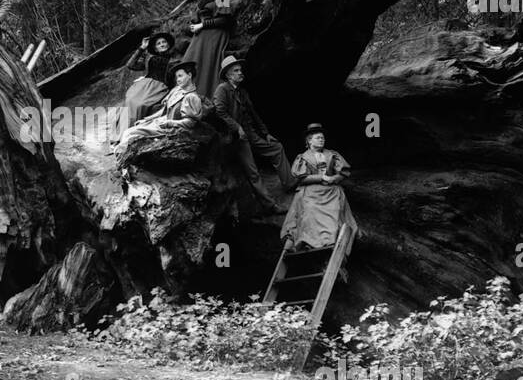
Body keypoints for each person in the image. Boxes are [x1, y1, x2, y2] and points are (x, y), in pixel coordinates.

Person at [212, 55, 295, 212]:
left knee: (276, 147)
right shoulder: (222, 90)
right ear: (228, 75)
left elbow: (253, 113)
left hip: (250, 133)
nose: (240, 73)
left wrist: (265, 133)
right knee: (253, 172)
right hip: (236, 139)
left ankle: (290, 183)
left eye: (240, 70)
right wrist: (237, 127)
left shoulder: (242, 91)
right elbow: (220, 112)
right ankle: (270, 206)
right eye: (236, 71)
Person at [280, 123, 356, 251]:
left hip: (330, 190)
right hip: (310, 190)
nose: (322, 140)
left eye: (323, 138)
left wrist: (333, 178)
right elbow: (301, 178)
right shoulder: (303, 157)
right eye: (318, 138)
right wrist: (321, 178)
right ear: (309, 140)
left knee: (334, 210)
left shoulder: (332, 154)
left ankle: (330, 240)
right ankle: (308, 241)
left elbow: (344, 172)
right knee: (309, 209)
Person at [116, 60, 204, 152]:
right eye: (176, 77)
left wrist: (170, 123)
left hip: (173, 130)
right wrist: (147, 119)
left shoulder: (192, 97)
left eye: (180, 76)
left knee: (130, 134)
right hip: (163, 122)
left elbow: (190, 123)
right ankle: (123, 159)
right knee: (129, 131)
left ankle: (124, 160)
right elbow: (164, 111)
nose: (178, 80)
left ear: (189, 75)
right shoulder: (176, 90)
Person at [181, 0, 237, 98]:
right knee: (190, 61)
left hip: (216, 34)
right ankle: (191, 96)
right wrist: (194, 25)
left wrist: (202, 25)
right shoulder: (200, 1)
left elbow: (224, 20)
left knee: (209, 64)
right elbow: (197, 18)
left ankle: (209, 96)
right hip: (201, 36)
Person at [122, 31, 175, 126]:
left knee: (140, 104)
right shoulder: (149, 59)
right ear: (155, 48)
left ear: (168, 44)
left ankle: (133, 128)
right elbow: (130, 65)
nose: (162, 45)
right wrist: (142, 48)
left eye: (164, 42)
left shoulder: (174, 60)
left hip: (160, 89)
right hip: (145, 86)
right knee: (130, 100)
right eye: (159, 44)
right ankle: (122, 131)